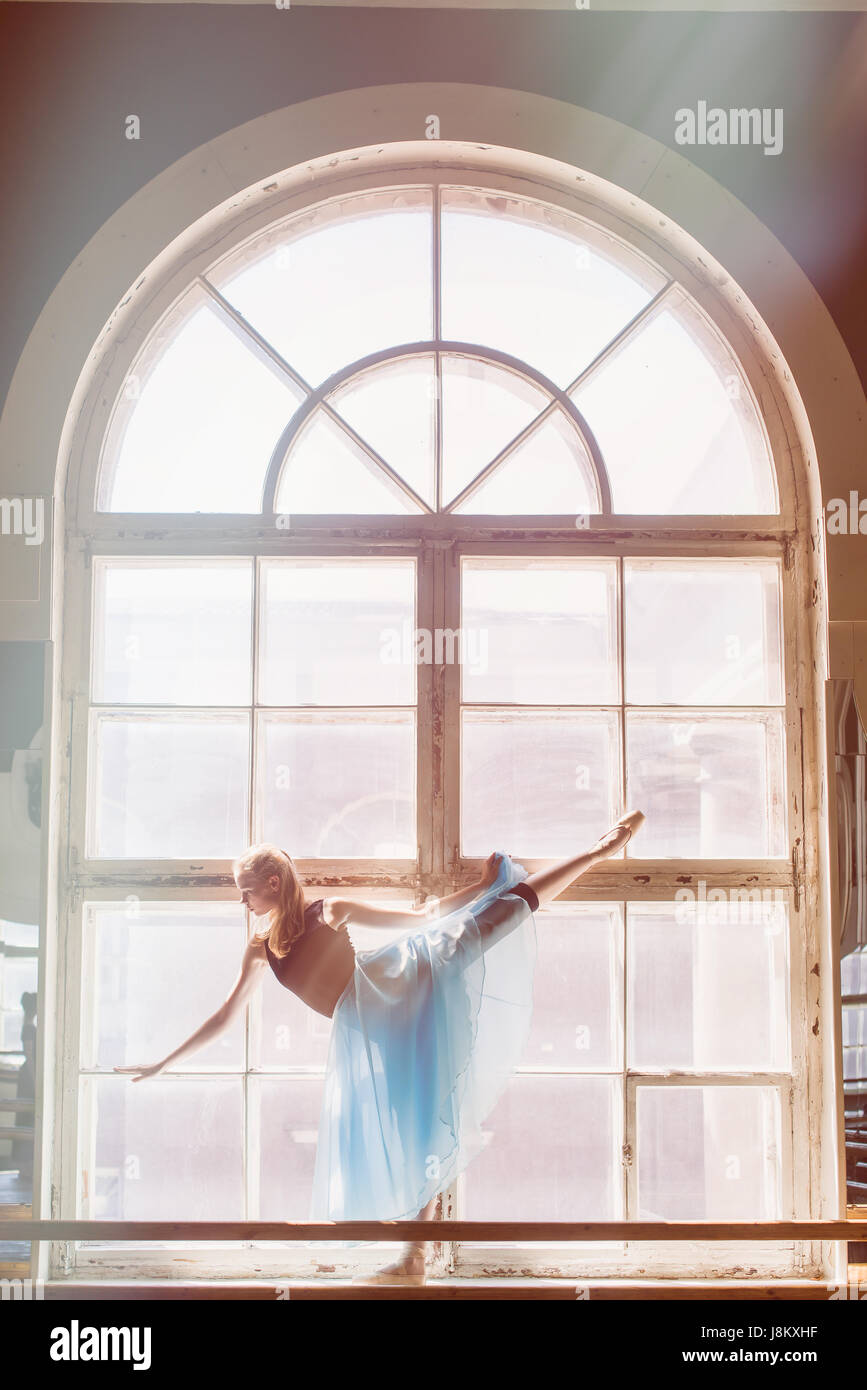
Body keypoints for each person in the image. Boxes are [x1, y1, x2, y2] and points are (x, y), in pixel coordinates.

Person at [116, 809, 646, 1285]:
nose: (242, 900)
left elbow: (423, 917)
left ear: (272, 884)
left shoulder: (329, 911)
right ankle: (410, 1257)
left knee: (503, 913)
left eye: (245, 890)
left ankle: (597, 850)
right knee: (410, 1124)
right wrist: (164, 1062)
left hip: (402, 980)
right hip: (369, 1027)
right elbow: (225, 1015)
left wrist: (483, 886)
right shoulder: (260, 951)